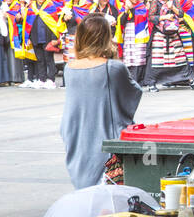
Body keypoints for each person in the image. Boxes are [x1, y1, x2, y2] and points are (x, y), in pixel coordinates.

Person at [60, 14, 143, 189]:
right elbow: (133, 93)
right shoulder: (112, 68)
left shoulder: (69, 68)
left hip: (76, 137)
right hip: (105, 141)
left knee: (86, 192)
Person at [144, 0, 194, 90]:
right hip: (159, 36)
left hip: (173, 34)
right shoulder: (155, 1)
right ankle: (151, 83)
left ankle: (191, 80)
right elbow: (151, 17)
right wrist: (164, 17)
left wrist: (172, 7)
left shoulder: (173, 0)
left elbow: (181, 14)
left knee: (181, 57)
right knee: (157, 60)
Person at [26, 0, 58, 89]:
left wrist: (54, 38)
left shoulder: (50, 6)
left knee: (49, 59)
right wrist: (28, 37)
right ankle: (42, 79)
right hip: (36, 36)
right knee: (39, 59)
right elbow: (28, 23)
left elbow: (54, 24)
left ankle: (51, 79)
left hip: (47, 37)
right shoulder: (31, 7)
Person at [118, 0, 150, 84]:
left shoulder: (142, 6)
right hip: (128, 33)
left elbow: (145, 18)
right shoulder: (124, 7)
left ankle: (138, 79)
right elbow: (121, 22)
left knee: (139, 56)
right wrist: (126, 11)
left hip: (140, 33)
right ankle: (129, 80)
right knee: (129, 56)